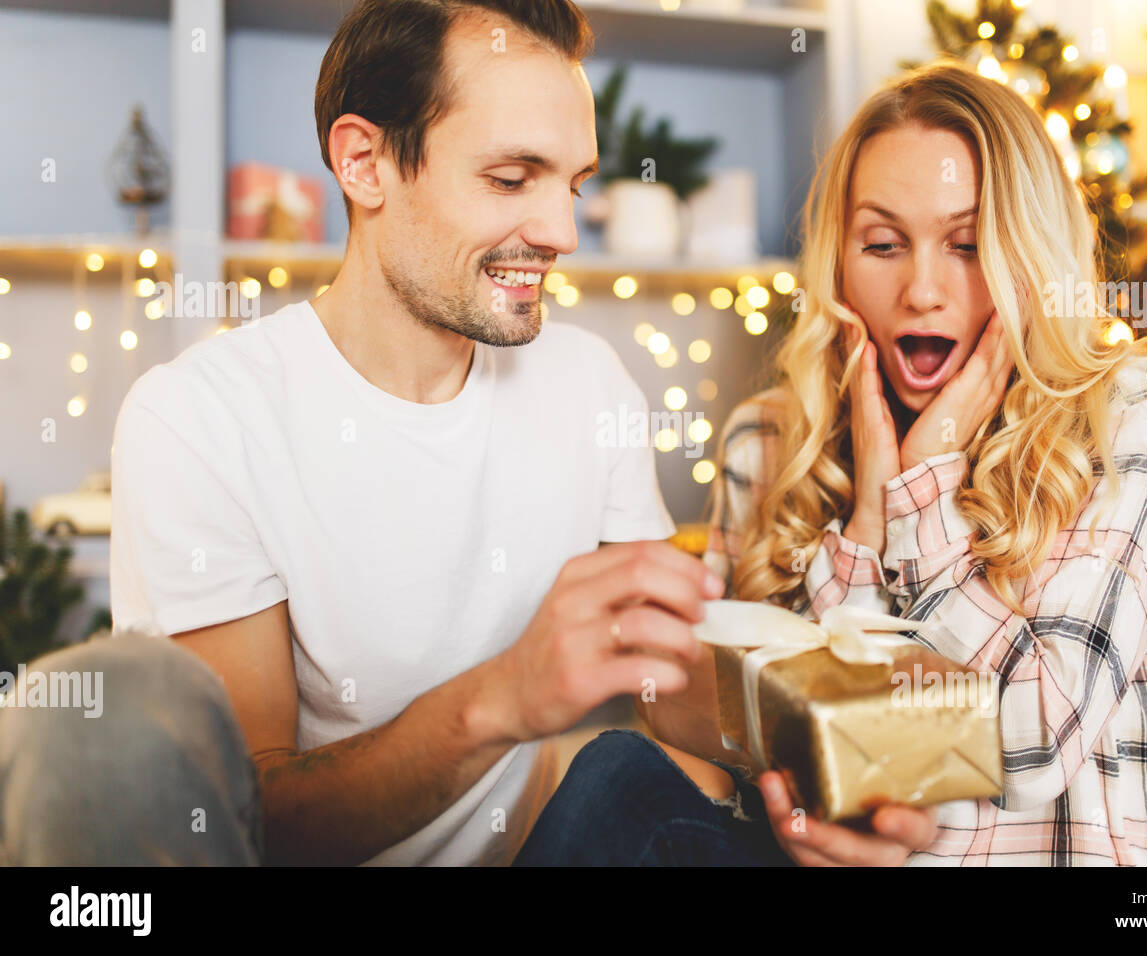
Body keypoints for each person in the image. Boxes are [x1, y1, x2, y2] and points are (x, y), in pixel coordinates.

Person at [0, 0, 932, 868]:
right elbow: (248, 817)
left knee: (625, 776)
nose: (563, 230)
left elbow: (663, 676)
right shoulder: (201, 418)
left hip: (557, 844)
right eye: (510, 177)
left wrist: (808, 756)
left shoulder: (584, 383)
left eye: (573, 183)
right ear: (364, 163)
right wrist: (504, 697)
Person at [524, 62, 1147, 866]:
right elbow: (691, 707)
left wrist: (919, 493)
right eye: (883, 244)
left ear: (1029, 259)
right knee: (616, 775)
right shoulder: (770, 440)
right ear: (841, 262)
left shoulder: (1119, 415)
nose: (923, 289)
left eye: (966, 244)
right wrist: (863, 528)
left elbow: (1036, 741)